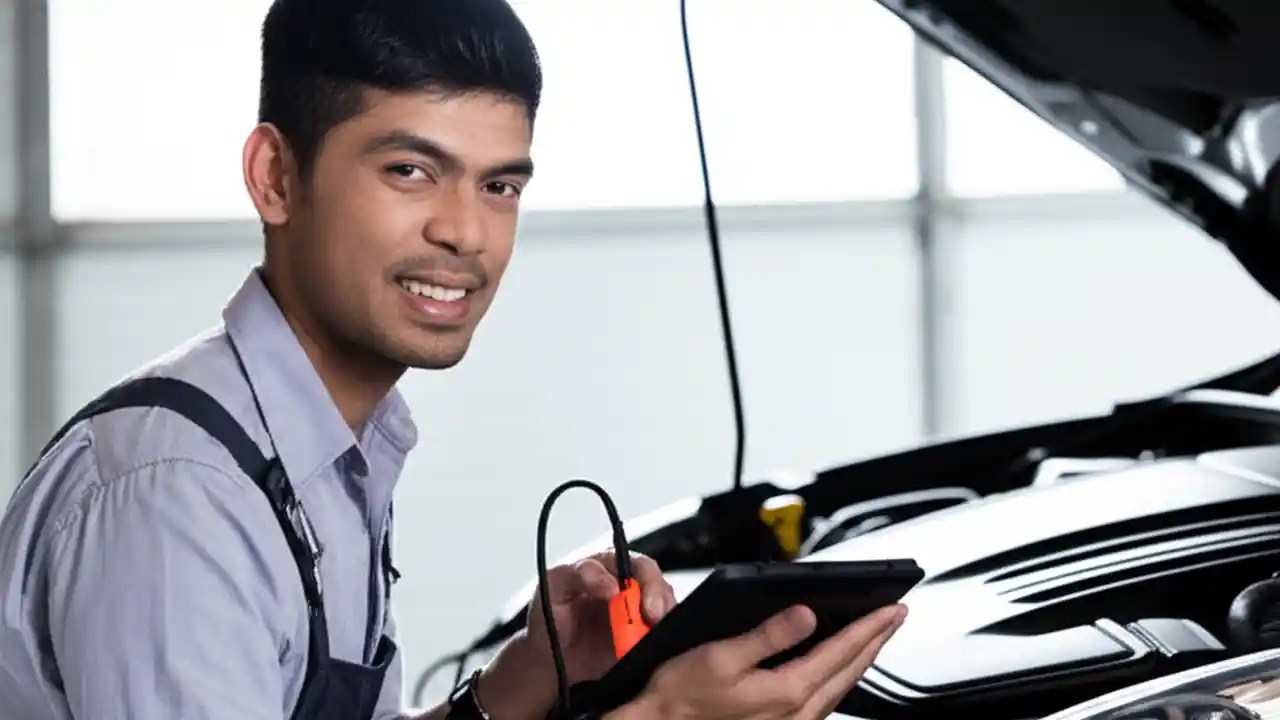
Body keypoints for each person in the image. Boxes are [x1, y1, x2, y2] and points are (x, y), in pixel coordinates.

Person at [0, 1, 907, 718]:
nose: (466, 232)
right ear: (276, 176)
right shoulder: (179, 499)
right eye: (410, 170)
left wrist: (515, 690)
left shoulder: (330, 453)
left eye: (499, 184)